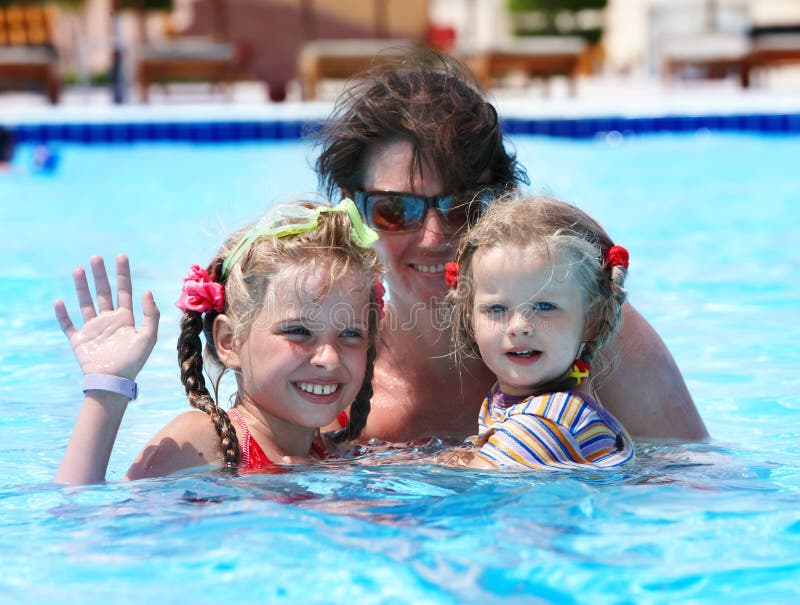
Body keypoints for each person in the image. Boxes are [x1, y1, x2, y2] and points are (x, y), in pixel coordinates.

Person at [315, 52, 708, 443]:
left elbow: (694, 478)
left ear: (501, 204)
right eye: (396, 210)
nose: (434, 238)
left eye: (463, 206)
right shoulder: (327, 370)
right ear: (354, 213)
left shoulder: (588, 337)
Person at [54, 199, 383, 485]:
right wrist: (107, 390)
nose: (329, 357)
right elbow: (83, 523)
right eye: (298, 332)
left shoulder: (329, 452)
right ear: (230, 342)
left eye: (350, 334)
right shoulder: (204, 441)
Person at [444, 196, 635, 469]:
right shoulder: (535, 403)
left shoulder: (548, 421)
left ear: (590, 320)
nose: (519, 326)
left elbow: (483, 482)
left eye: (545, 306)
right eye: (496, 308)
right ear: (469, 319)